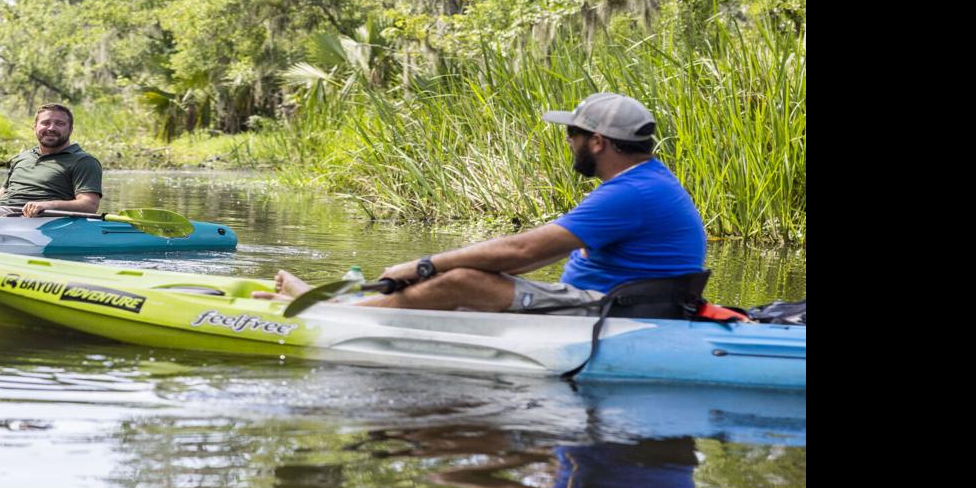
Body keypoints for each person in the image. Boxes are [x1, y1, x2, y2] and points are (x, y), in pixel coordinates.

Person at [270, 92, 707, 314]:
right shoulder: (646, 181)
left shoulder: (630, 194)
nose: (568, 142)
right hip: (616, 299)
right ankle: (364, 306)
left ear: (596, 142)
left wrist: (422, 266)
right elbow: (524, 259)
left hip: (608, 308)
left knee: (464, 281)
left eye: (572, 134)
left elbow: (524, 252)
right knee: (467, 277)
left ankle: (339, 313)